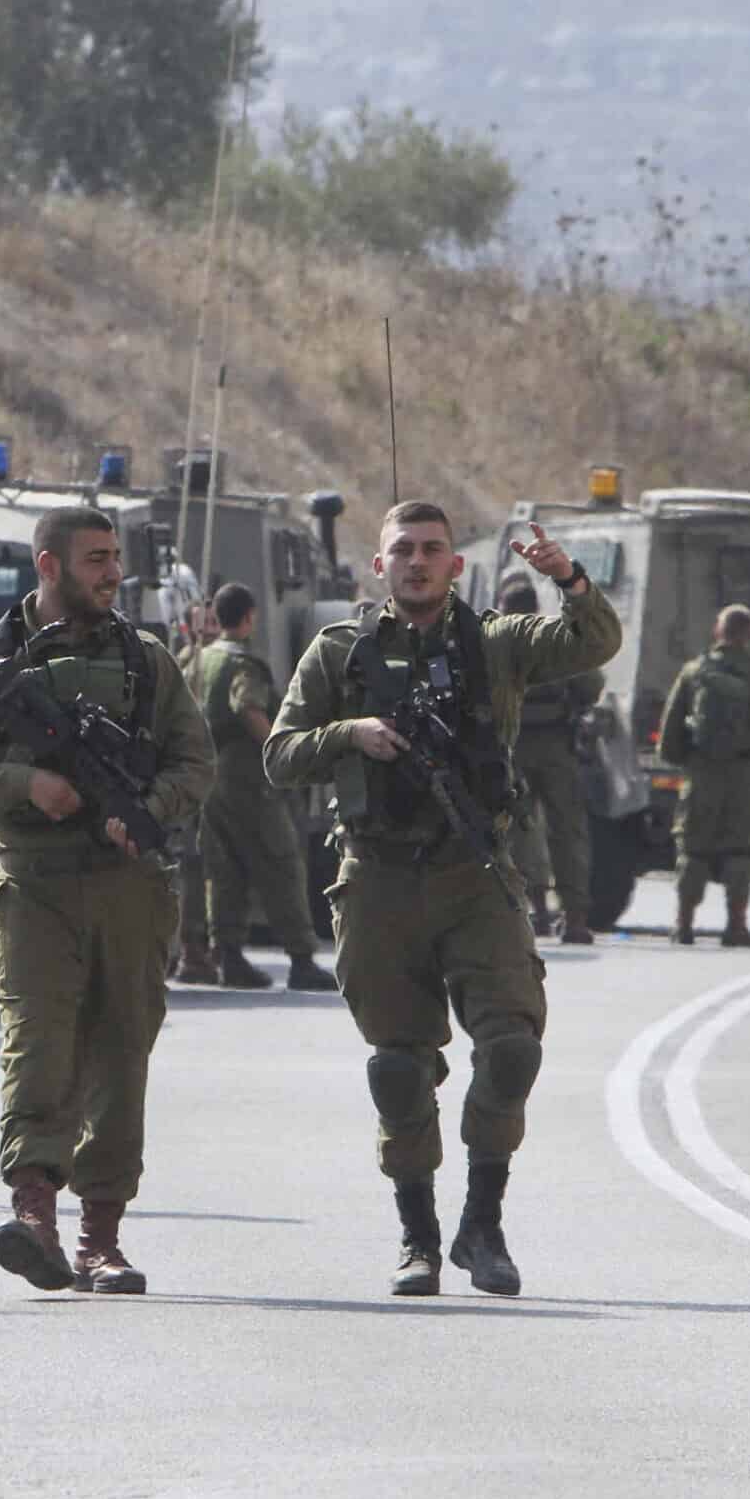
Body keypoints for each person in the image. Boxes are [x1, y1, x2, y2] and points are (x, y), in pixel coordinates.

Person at [265, 503, 620, 1297]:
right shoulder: (339, 652)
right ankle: (417, 1235)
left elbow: (594, 642)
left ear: (456, 566)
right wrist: (348, 734)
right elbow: (279, 754)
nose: (418, 562)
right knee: (399, 1067)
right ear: (379, 566)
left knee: (513, 1048)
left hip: (476, 873)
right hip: (378, 879)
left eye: (433, 550)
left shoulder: (494, 643)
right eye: (403, 550)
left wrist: (567, 578)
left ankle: (481, 1223)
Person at [0, 507, 214, 1293]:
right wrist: (25, 784)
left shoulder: (146, 662)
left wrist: (146, 810)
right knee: (38, 1046)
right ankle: (35, 1213)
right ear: (48, 566)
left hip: (130, 888)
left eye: (115, 557)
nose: (113, 572)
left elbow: (196, 762)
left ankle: (100, 1238)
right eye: (95, 559)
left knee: (121, 1056)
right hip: (34, 884)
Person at [195, 582, 335, 991]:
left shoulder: (201, 659)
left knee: (224, 870)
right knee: (281, 862)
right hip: (248, 780)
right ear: (249, 617)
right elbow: (247, 706)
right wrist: (280, 748)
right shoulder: (244, 663)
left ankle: (229, 956)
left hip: (209, 778)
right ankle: (301, 959)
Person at [657, 603, 750, 947]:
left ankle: (683, 925)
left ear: (718, 631)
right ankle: (736, 926)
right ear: (749, 635)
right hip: (745, 774)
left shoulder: (695, 671)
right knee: (741, 851)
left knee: (693, 849)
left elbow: (670, 732)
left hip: (702, 773)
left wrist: (683, 761)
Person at [498, 577, 606, 945]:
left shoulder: (493, 642)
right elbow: (591, 686)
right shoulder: (558, 639)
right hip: (557, 748)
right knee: (567, 832)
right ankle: (575, 918)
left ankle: (535, 912)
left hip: (509, 748)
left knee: (515, 831)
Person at [170, 600, 220, 984]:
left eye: (215, 621)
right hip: (188, 773)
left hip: (210, 773)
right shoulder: (185, 664)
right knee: (190, 864)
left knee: (206, 865)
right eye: (204, 623)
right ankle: (189, 948)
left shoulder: (206, 659)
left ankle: (202, 945)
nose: (211, 629)